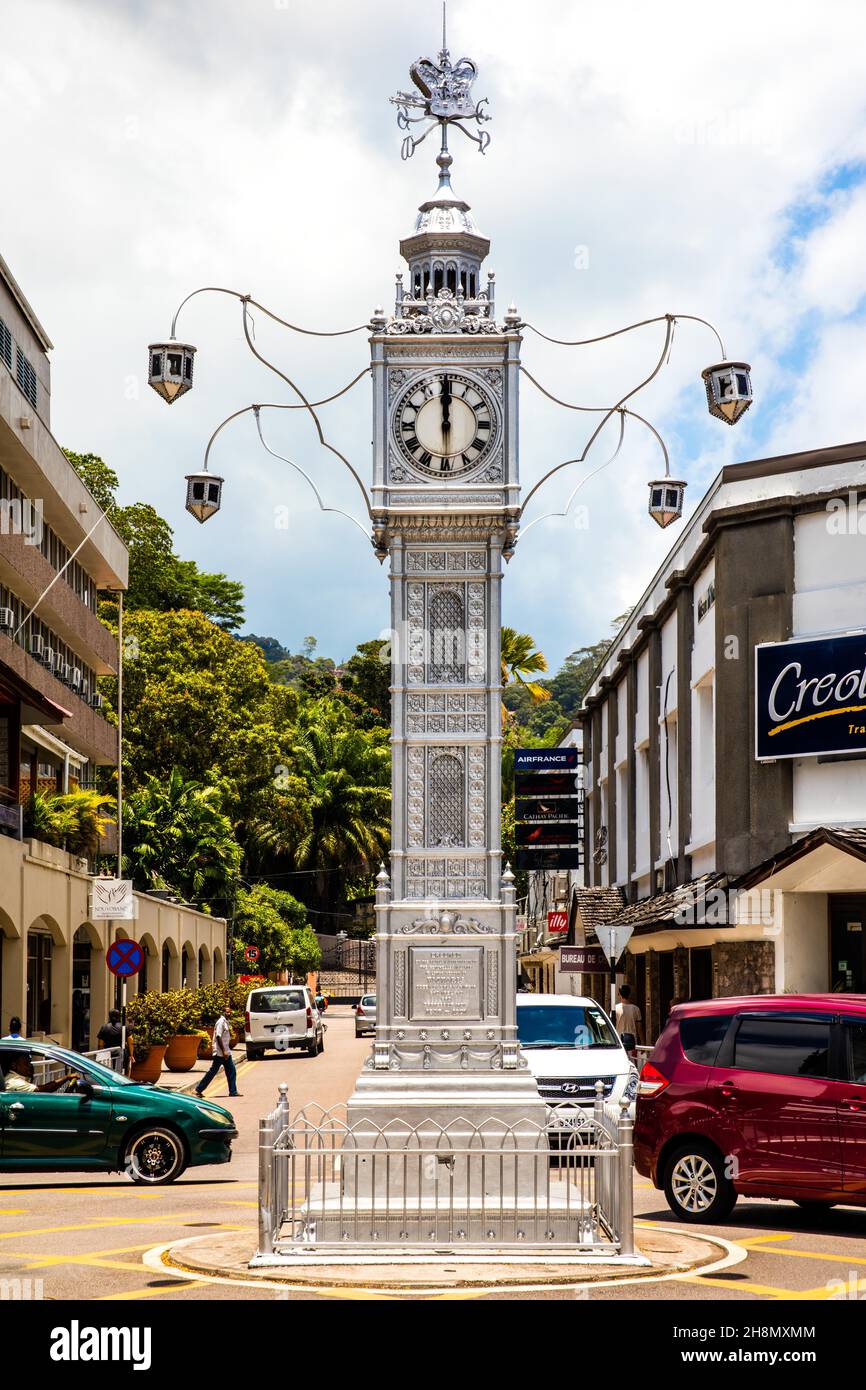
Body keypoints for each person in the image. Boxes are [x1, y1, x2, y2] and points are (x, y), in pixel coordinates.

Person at [194, 1010, 240, 1098]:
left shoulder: (226, 1022)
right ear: (223, 1013)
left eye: (230, 1012)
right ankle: (198, 1089)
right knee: (213, 1071)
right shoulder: (220, 1022)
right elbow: (218, 1036)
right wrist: (223, 1051)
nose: (229, 1014)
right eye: (227, 1012)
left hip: (225, 1051)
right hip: (220, 1052)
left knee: (231, 1071)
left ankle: (233, 1091)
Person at [614, 984, 643, 1054]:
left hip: (618, 1041)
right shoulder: (636, 1009)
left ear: (619, 994)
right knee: (632, 1061)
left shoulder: (615, 1008)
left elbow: (612, 1025)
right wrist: (643, 1042)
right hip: (632, 1041)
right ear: (629, 994)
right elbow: (639, 1028)